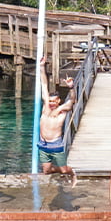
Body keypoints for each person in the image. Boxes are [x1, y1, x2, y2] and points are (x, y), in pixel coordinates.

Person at [38, 56, 77, 185]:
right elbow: (44, 84)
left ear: (58, 101)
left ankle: (71, 173)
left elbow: (72, 101)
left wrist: (71, 87)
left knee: (64, 170)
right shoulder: (45, 107)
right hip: (43, 144)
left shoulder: (62, 110)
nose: (52, 103)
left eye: (54, 101)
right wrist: (42, 67)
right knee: (46, 170)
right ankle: (60, 169)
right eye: (50, 101)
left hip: (56, 143)